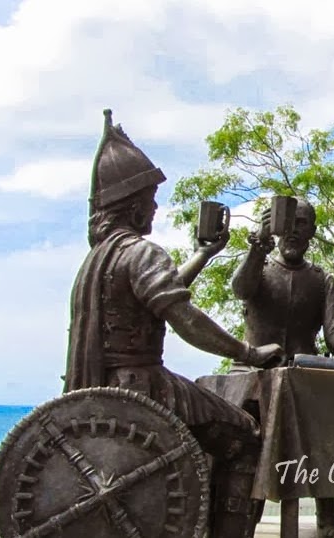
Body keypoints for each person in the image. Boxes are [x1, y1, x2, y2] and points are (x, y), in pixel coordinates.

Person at [64, 109, 283, 538]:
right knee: (244, 440)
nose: (156, 206)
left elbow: (155, 298)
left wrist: (204, 254)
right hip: (143, 388)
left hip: (100, 386)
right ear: (133, 207)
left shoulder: (98, 259)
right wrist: (247, 353)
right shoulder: (141, 252)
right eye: (150, 199)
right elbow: (183, 317)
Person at [230, 197, 334, 538]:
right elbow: (240, 289)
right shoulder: (258, 269)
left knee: (323, 439)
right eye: (287, 223)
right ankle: (245, 520)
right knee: (248, 447)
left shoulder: (322, 279)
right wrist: (258, 247)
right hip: (253, 376)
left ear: (312, 232)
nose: (292, 231)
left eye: (301, 223)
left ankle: (327, 520)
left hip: (304, 375)